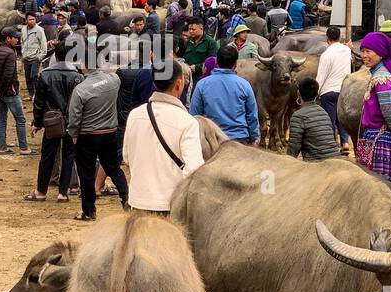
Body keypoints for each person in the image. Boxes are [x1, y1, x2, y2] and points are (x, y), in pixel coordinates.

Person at [123, 59, 203, 215]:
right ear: (179, 84)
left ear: (154, 83)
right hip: (170, 207)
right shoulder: (187, 122)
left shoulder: (135, 115)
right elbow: (194, 169)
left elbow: (126, 157)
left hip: (137, 203)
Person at [67, 52, 128, 222]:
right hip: (109, 132)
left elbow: (74, 116)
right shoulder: (114, 80)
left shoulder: (81, 89)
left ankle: (89, 211)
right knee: (114, 168)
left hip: (87, 135)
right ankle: (126, 198)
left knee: (86, 173)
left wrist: (73, 133)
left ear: (84, 65)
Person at [27, 38, 82, 203]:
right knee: (68, 156)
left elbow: (39, 102)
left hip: (51, 122)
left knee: (47, 156)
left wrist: (37, 123)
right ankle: (63, 193)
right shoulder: (78, 76)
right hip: (71, 122)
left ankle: (41, 191)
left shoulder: (45, 74)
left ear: (55, 56)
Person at [355, 32, 391, 189]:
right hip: (375, 137)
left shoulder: (382, 79)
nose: (364, 55)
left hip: (381, 140)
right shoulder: (378, 74)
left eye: (368, 51)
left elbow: (390, 112)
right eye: (362, 51)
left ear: (381, 53)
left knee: (380, 190)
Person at [189, 44, 259, 143]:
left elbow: (194, 115)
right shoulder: (244, 85)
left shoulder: (202, 84)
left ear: (216, 61)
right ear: (235, 63)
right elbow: (252, 116)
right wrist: (254, 137)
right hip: (239, 140)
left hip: (212, 140)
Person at [0, 28, 31, 155]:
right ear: (8, 38)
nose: (17, 40)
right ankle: (23, 147)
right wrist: (0, 92)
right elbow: (8, 76)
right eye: (15, 37)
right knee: (20, 119)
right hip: (9, 93)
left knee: (1, 119)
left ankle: (2, 147)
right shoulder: (10, 53)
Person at [315, 25, 352, 153]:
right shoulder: (347, 51)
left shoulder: (326, 54)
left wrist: (316, 92)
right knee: (341, 118)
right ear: (339, 37)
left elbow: (321, 76)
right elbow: (348, 49)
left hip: (329, 91)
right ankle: (345, 142)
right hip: (344, 90)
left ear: (327, 39)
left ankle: (332, 143)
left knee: (329, 119)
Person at [288, 77, 339, 161]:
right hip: (335, 160)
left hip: (316, 164)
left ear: (298, 94)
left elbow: (293, 150)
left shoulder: (298, 116)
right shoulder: (324, 112)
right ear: (316, 94)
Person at [178, 17, 218, 81]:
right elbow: (183, 56)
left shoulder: (211, 43)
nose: (191, 31)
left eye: (193, 29)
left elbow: (213, 61)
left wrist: (197, 67)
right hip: (188, 76)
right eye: (189, 29)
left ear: (201, 28)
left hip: (203, 77)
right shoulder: (188, 42)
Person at [20, 12, 47, 99]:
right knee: (27, 78)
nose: (32, 21)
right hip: (26, 57)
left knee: (34, 76)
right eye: (30, 19)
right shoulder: (23, 29)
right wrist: (23, 53)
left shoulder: (39, 30)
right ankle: (31, 95)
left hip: (35, 57)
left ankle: (38, 94)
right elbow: (22, 42)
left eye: (33, 19)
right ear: (26, 20)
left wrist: (40, 57)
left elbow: (43, 45)